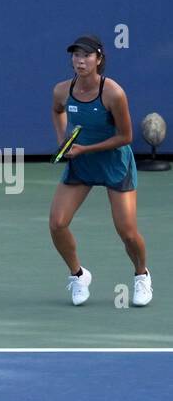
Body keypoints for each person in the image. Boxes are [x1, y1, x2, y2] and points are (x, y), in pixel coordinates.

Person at [49, 34, 150, 307]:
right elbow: (57, 110)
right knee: (57, 223)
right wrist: (63, 140)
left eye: (86, 56)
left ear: (99, 59)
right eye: (75, 55)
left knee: (127, 231)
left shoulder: (113, 92)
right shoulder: (62, 90)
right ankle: (78, 275)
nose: (80, 61)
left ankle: (141, 275)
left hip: (114, 163)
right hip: (81, 164)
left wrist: (85, 149)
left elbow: (126, 136)